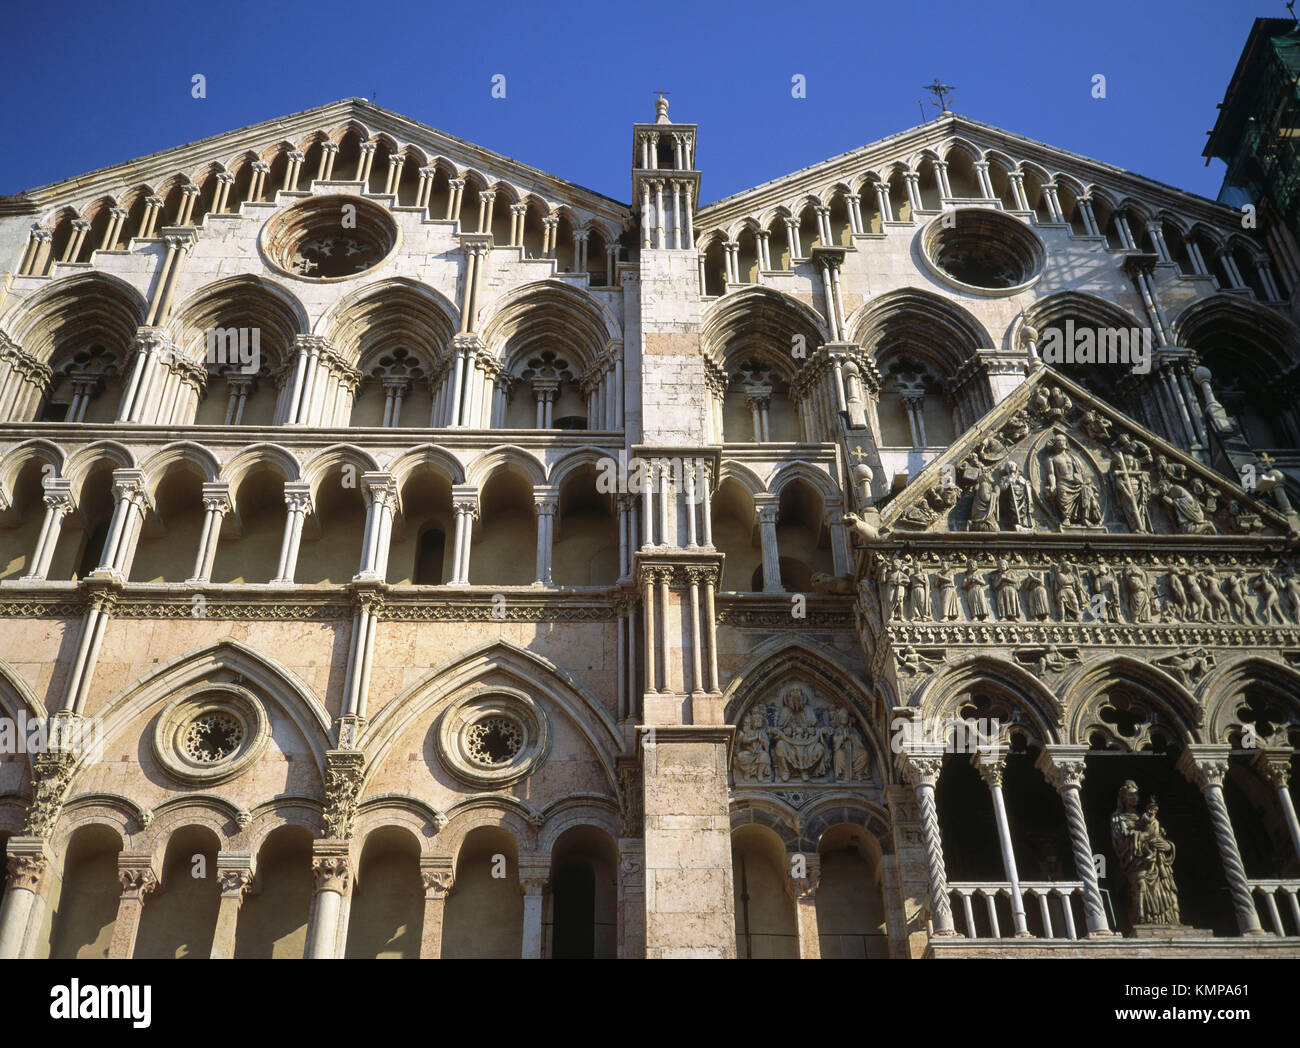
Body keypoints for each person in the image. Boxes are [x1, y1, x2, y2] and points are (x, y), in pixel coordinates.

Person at [1110, 781, 1181, 926]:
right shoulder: (1118, 818)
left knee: (1166, 893)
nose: (1134, 797)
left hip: (1157, 862)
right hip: (1137, 861)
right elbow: (1120, 841)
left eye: (1136, 794)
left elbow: (1159, 836)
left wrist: (1167, 846)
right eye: (1130, 795)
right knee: (1141, 887)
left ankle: (1167, 921)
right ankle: (1144, 919)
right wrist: (1140, 837)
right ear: (1123, 797)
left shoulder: (1145, 817)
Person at [1045, 432, 1101, 525]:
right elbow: (1051, 474)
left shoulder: (1074, 458)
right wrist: (1053, 485)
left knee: (1085, 490)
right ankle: (1066, 517)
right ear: (1055, 444)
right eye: (1059, 441)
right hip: (1063, 483)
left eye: (1063, 440)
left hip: (1076, 483)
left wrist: (1085, 482)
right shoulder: (1052, 459)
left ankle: (1085, 518)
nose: (1062, 442)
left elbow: (1082, 473)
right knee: (1061, 490)